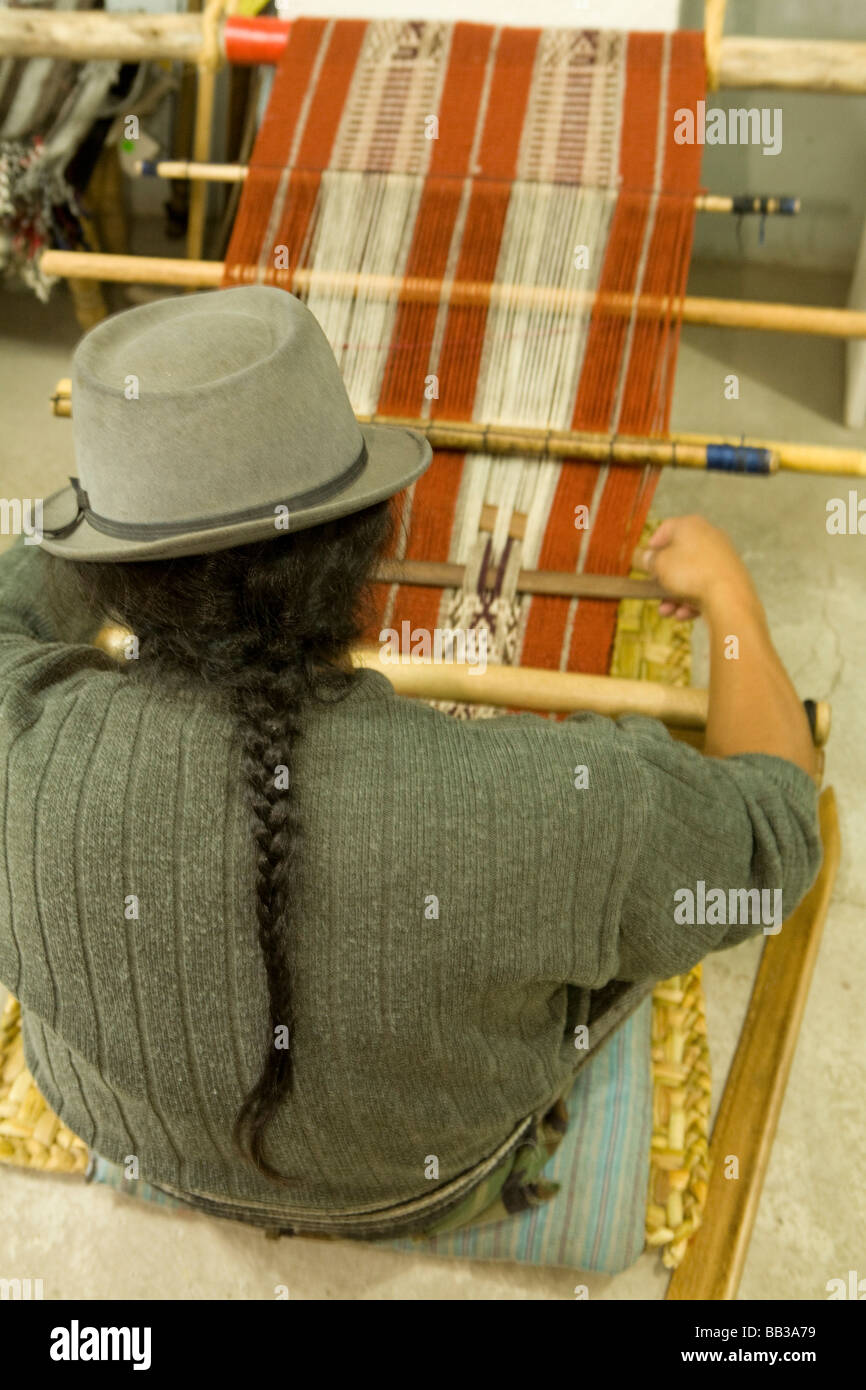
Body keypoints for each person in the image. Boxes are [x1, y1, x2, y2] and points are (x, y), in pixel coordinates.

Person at [0, 286, 821, 1240]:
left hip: (129, 1135)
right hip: (429, 1182)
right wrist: (730, 596)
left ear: (107, 577)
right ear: (370, 543)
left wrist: (131, 499)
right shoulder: (565, 810)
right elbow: (775, 830)